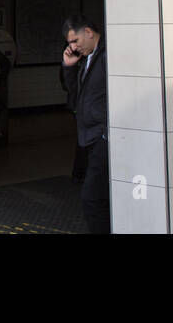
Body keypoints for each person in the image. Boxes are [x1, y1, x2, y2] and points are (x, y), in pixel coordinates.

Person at [61, 14, 108, 233]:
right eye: (70, 43)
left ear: (89, 32)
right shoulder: (86, 59)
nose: (73, 47)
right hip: (88, 136)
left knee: (91, 198)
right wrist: (69, 66)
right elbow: (75, 94)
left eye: (75, 41)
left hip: (102, 136)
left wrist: (106, 132)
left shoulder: (107, 55)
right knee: (102, 197)